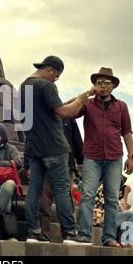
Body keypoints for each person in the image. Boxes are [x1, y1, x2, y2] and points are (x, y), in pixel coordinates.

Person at [19, 55, 95, 244]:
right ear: (51, 70)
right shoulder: (46, 85)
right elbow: (65, 112)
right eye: (56, 76)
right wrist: (82, 99)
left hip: (35, 148)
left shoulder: (23, 87)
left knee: (34, 191)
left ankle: (33, 232)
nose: (55, 80)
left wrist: (78, 98)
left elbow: (51, 108)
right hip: (54, 146)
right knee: (62, 190)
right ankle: (69, 232)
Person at [76, 67, 133, 248]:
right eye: (99, 82)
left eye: (106, 83)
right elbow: (68, 110)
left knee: (111, 198)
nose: (102, 86)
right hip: (92, 157)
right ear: (95, 85)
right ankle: (84, 235)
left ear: (113, 86)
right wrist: (86, 94)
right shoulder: (87, 104)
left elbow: (126, 131)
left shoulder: (121, 106)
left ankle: (109, 237)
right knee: (87, 195)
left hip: (114, 157)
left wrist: (131, 156)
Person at [39, 117, 84, 237]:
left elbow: (76, 139)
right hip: (46, 162)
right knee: (45, 198)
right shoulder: (41, 115)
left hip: (66, 164)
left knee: (66, 198)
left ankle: (68, 232)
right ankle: (44, 233)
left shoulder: (68, 117)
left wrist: (80, 161)